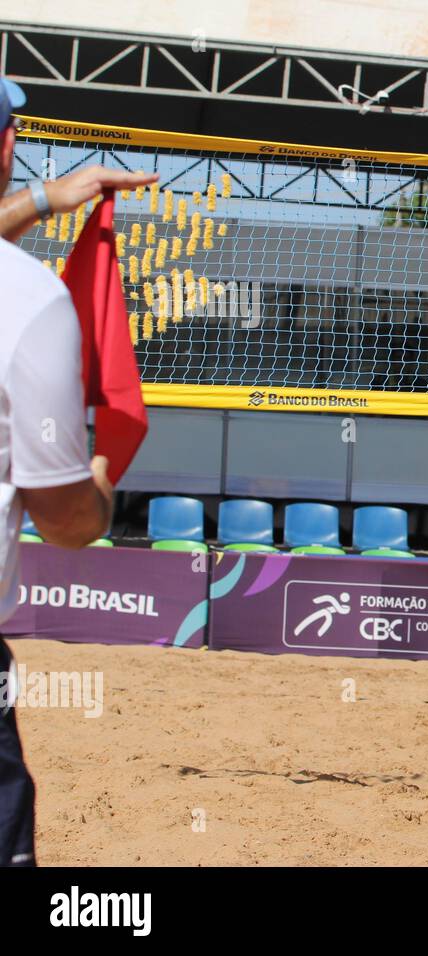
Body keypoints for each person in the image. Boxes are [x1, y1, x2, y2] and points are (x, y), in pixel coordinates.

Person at [0, 76, 157, 867]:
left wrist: (45, 201)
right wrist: (98, 475)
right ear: (6, 145)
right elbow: (64, 521)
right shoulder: (25, 300)